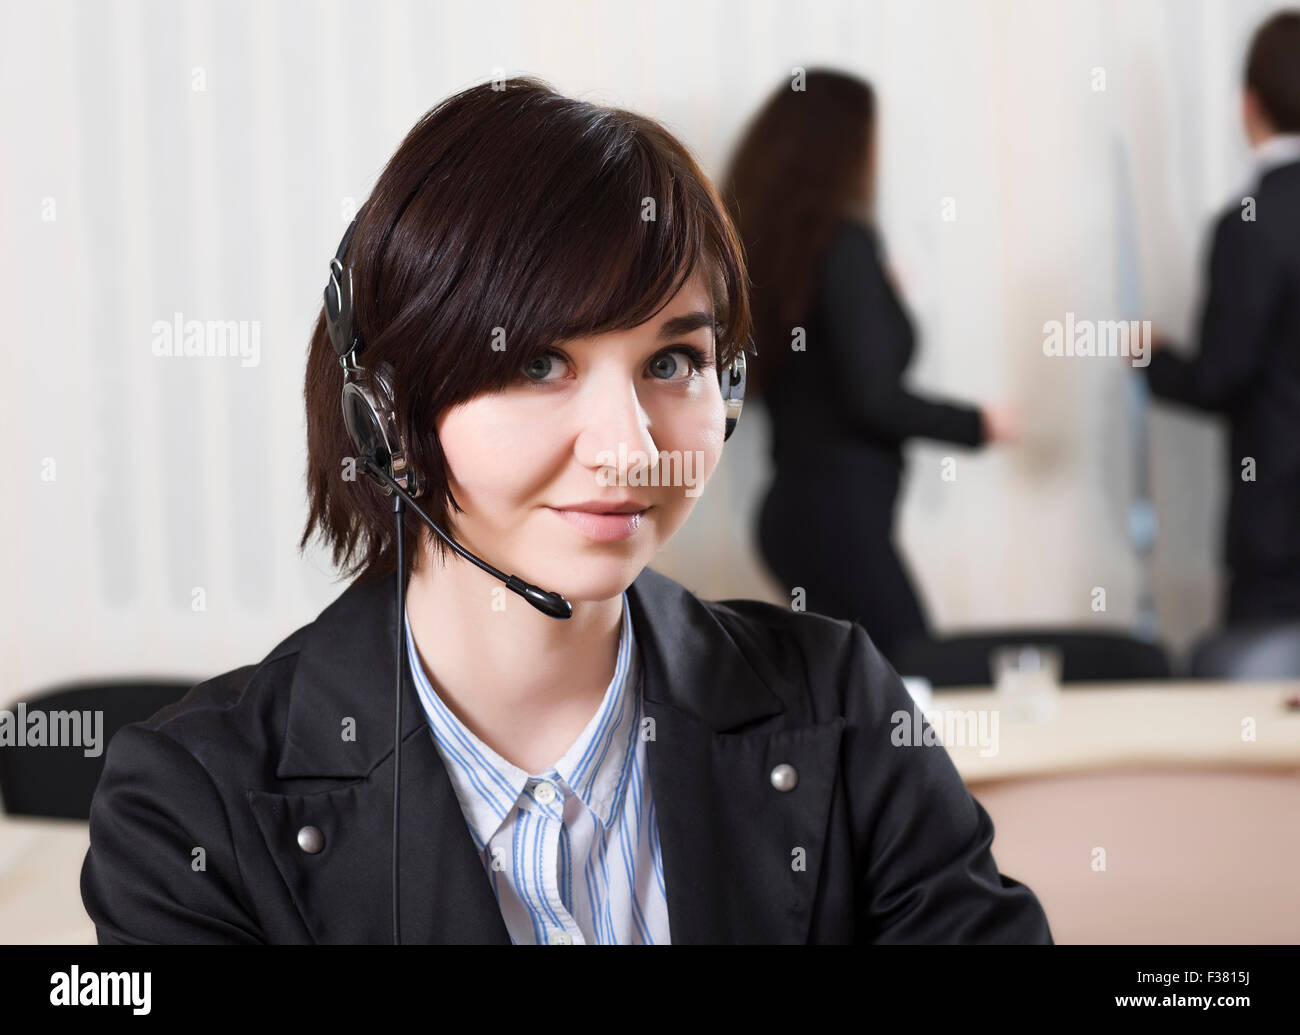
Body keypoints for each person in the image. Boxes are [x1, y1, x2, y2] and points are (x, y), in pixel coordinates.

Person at [80, 77, 1051, 945]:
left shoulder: (839, 703)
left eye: (673, 362)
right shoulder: (189, 806)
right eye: (539, 363)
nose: (631, 449)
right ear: (386, 412)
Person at [721, 70, 1017, 664]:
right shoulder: (847, 245)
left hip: (798, 513)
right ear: (845, 148)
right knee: (913, 674)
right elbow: (873, 396)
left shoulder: (786, 255)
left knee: (858, 691)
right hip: (838, 516)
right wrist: (978, 423)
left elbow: (830, 368)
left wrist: (879, 299)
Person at [1142, 11, 1300, 626]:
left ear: (1248, 104)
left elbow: (1218, 378)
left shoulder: (1250, 225)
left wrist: (1150, 358)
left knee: (1258, 707)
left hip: (1279, 535)